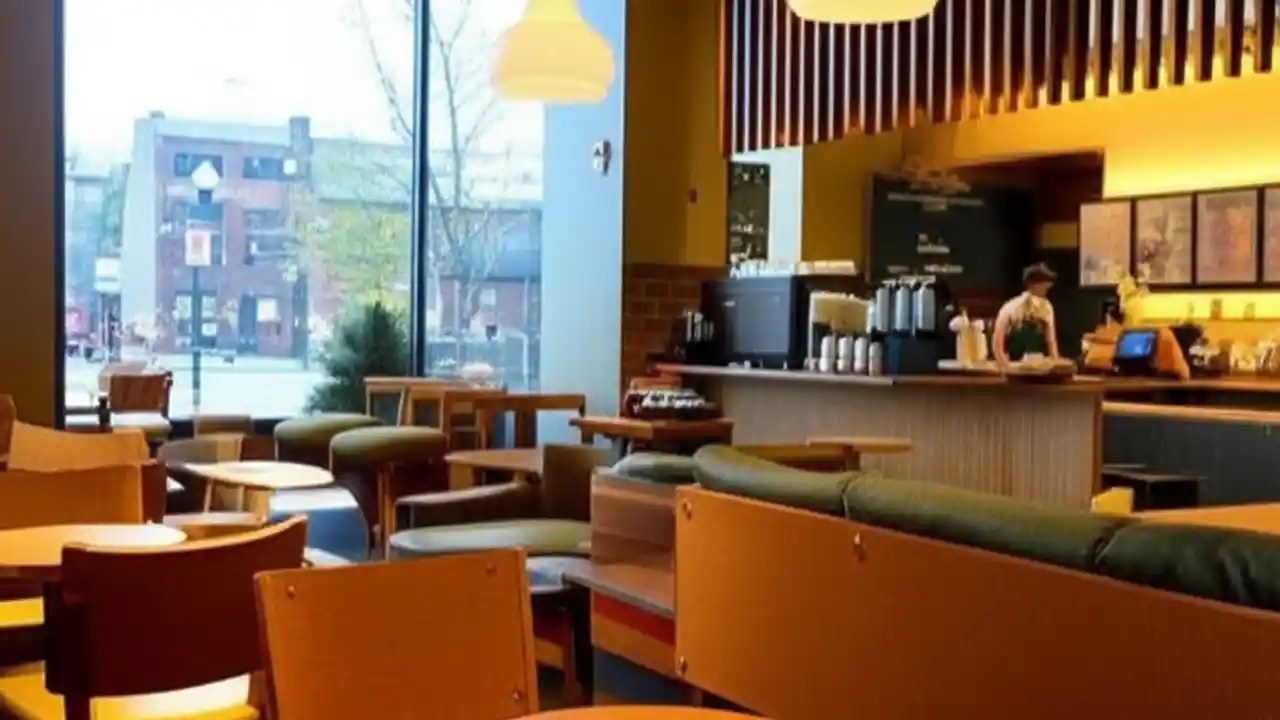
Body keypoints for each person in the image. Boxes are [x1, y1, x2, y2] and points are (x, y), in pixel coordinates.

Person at [993, 263, 1059, 367]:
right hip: (1014, 367)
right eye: (1043, 284)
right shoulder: (1011, 308)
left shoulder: (1047, 308)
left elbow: (1051, 343)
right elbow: (997, 344)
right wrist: (1005, 366)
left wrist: (1055, 365)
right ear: (1033, 285)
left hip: (1039, 368)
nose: (1046, 288)